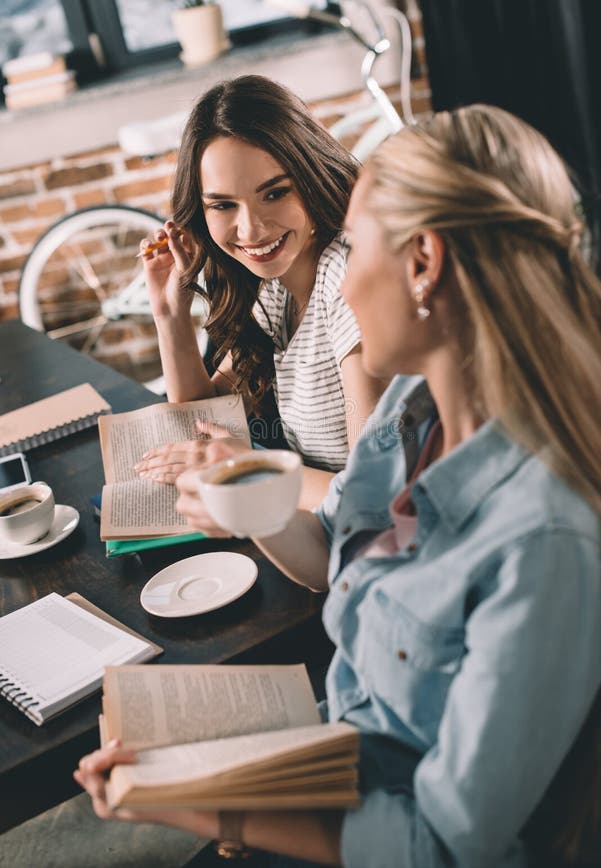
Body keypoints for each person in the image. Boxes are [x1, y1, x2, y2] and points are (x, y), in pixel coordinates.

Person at [75, 104, 601, 868]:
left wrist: (214, 807)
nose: (343, 285)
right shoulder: (406, 411)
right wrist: (250, 507)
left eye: (355, 252)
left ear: (422, 263)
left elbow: (440, 847)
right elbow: (332, 559)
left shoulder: (543, 541)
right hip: (345, 749)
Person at [133, 74, 386, 509]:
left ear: (311, 175)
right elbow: (202, 414)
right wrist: (169, 314)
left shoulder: (347, 279)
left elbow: (374, 496)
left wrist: (247, 468)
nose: (250, 228)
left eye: (274, 193)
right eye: (223, 205)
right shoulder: (277, 290)